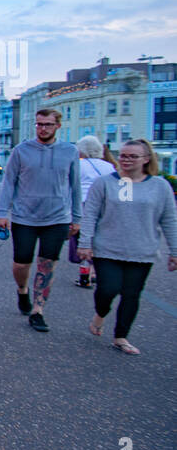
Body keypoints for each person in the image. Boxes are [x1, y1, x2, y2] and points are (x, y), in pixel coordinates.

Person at [79, 139, 177, 356]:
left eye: (133, 156)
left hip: (142, 251)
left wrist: (174, 251)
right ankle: (100, 313)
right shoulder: (104, 183)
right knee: (108, 289)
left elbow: (169, 219)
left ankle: (120, 337)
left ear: (146, 159)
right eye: (123, 155)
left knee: (132, 294)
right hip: (107, 249)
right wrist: (85, 243)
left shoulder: (160, 186)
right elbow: (90, 215)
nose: (126, 159)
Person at [0, 108, 81, 332]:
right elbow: (9, 183)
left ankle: (38, 311)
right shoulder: (21, 150)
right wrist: (2, 213)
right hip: (25, 216)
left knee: (47, 264)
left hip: (58, 217)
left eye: (48, 124)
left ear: (58, 126)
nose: (43, 128)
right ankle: (22, 290)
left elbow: (75, 187)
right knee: (22, 262)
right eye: (39, 124)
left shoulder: (70, 152)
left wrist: (77, 218)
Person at [74, 135, 115, 288]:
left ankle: (87, 271)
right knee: (99, 238)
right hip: (104, 205)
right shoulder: (108, 166)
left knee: (83, 238)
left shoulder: (78, 165)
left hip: (83, 204)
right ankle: (97, 271)